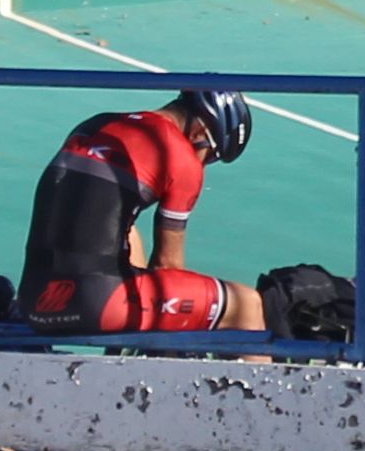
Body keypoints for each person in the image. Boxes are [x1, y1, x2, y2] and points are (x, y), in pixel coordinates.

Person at [20, 86, 261, 334]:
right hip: (98, 305)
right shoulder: (180, 158)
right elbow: (167, 266)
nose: (204, 164)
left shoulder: (96, 124)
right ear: (199, 131)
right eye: (210, 156)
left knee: (128, 232)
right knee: (247, 306)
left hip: (34, 302)